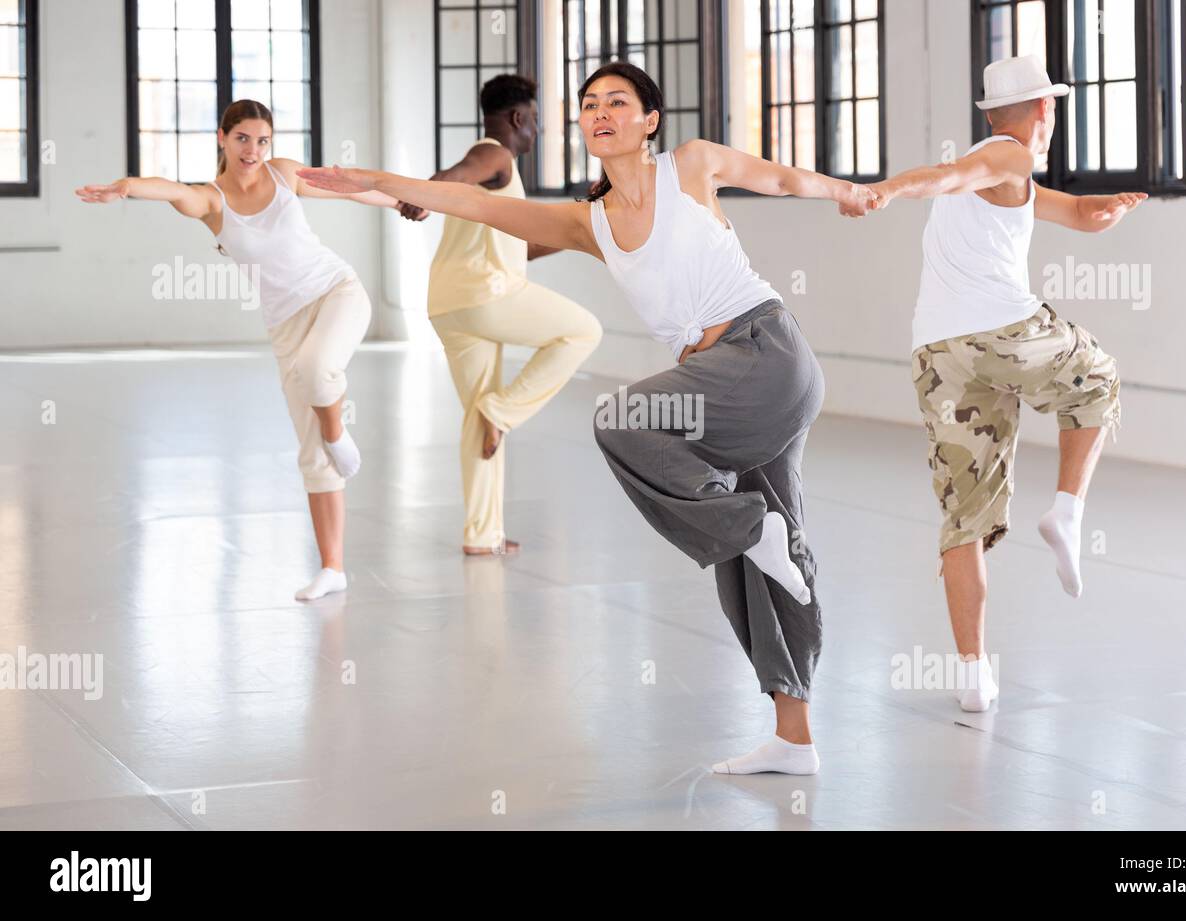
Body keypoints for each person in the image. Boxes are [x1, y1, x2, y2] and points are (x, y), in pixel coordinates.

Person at [300, 62, 873, 775]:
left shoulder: (690, 168)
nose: (599, 113)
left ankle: (754, 527)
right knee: (760, 567)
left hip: (767, 353)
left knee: (626, 419)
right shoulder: (588, 222)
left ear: (649, 119)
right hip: (723, 384)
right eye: (588, 104)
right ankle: (794, 735)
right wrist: (370, 182)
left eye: (617, 102)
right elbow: (468, 204)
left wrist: (847, 189)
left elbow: (783, 179)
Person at [861, 56, 1143, 711]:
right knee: (1097, 379)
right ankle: (1067, 512)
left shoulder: (1007, 173)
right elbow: (946, 175)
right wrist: (889, 189)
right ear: (1043, 111)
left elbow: (1073, 212)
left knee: (965, 514)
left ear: (989, 110)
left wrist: (1108, 209)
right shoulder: (1007, 155)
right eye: (1052, 110)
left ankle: (971, 675)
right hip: (1001, 331)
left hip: (937, 352)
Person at [76, 99, 404, 602]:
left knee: (320, 372)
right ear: (222, 140)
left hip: (337, 291)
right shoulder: (212, 201)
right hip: (285, 323)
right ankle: (333, 567)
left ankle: (339, 432)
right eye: (243, 139)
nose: (254, 149)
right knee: (311, 455)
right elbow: (171, 190)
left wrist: (401, 202)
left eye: (263, 139)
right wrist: (125, 188)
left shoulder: (287, 175)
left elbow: (348, 191)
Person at [400, 74, 602, 555]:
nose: (539, 131)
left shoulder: (501, 175)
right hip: (485, 296)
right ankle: (503, 411)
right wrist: (424, 193)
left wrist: (584, 222)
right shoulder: (495, 155)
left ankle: (481, 534)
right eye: (536, 120)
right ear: (518, 118)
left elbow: (523, 247)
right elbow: (458, 173)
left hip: (449, 305)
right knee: (583, 331)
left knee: (477, 421)